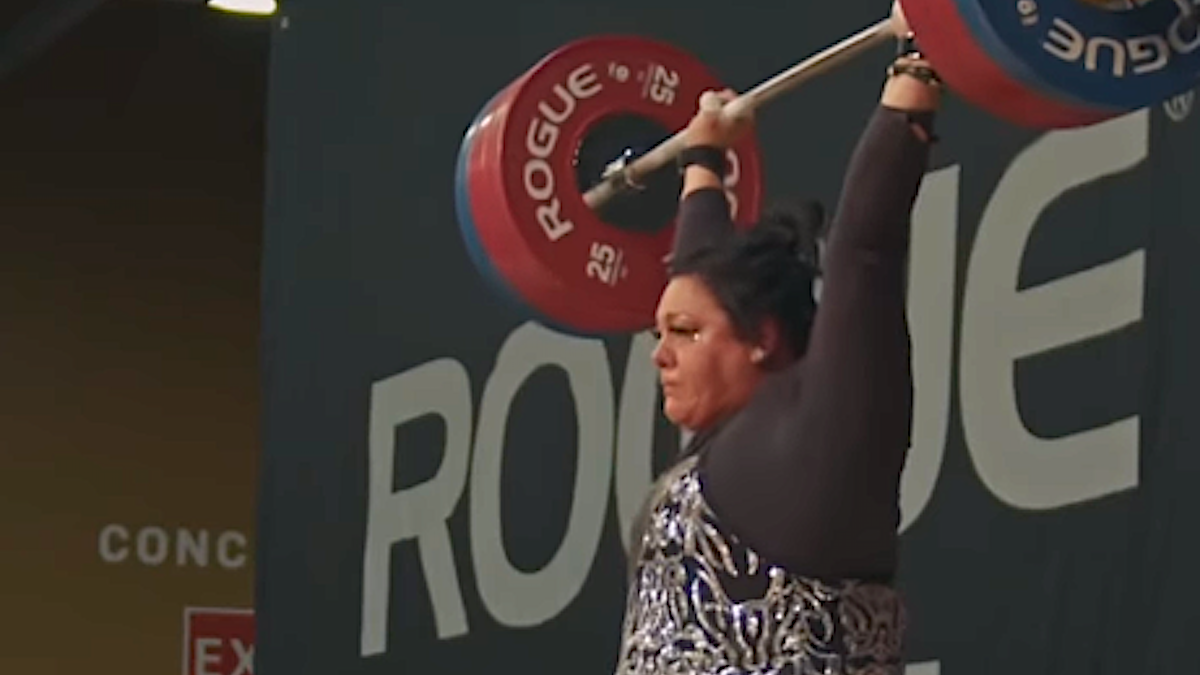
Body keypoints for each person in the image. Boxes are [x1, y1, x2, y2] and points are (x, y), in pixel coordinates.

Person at [613, 3, 942, 673]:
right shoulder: (722, 450)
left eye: (683, 332)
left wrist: (922, 58)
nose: (659, 352)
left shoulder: (824, 445)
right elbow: (703, 274)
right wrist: (703, 160)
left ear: (762, 339)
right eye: (660, 331)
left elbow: (866, 252)